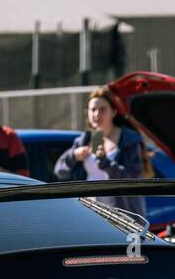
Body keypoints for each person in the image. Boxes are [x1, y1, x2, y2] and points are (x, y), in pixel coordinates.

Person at [53, 88, 148, 218]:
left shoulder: (128, 140)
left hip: (124, 217)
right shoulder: (84, 140)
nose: (96, 114)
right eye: (93, 109)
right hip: (90, 215)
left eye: (102, 109)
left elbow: (133, 180)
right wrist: (74, 155)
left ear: (113, 112)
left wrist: (106, 163)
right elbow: (60, 171)